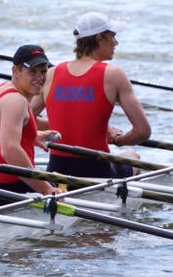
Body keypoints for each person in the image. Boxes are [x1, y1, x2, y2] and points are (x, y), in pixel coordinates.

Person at [32, 12, 151, 178]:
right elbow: (143, 131)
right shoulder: (114, 74)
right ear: (99, 38)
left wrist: (66, 124)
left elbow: (26, 118)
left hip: (56, 170)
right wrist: (117, 139)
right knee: (133, 156)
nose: (116, 42)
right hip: (97, 172)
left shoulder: (51, 73)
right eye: (112, 36)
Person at [0, 45, 64, 199]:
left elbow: (3, 128)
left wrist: (32, 136)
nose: (39, 78)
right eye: (32, 72)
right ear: (15, 71)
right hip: (11, 187)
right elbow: (9, 151)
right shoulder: (16, 101)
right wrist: (46, 189)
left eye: (43, 71)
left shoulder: (1, 89)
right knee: (61, 190)